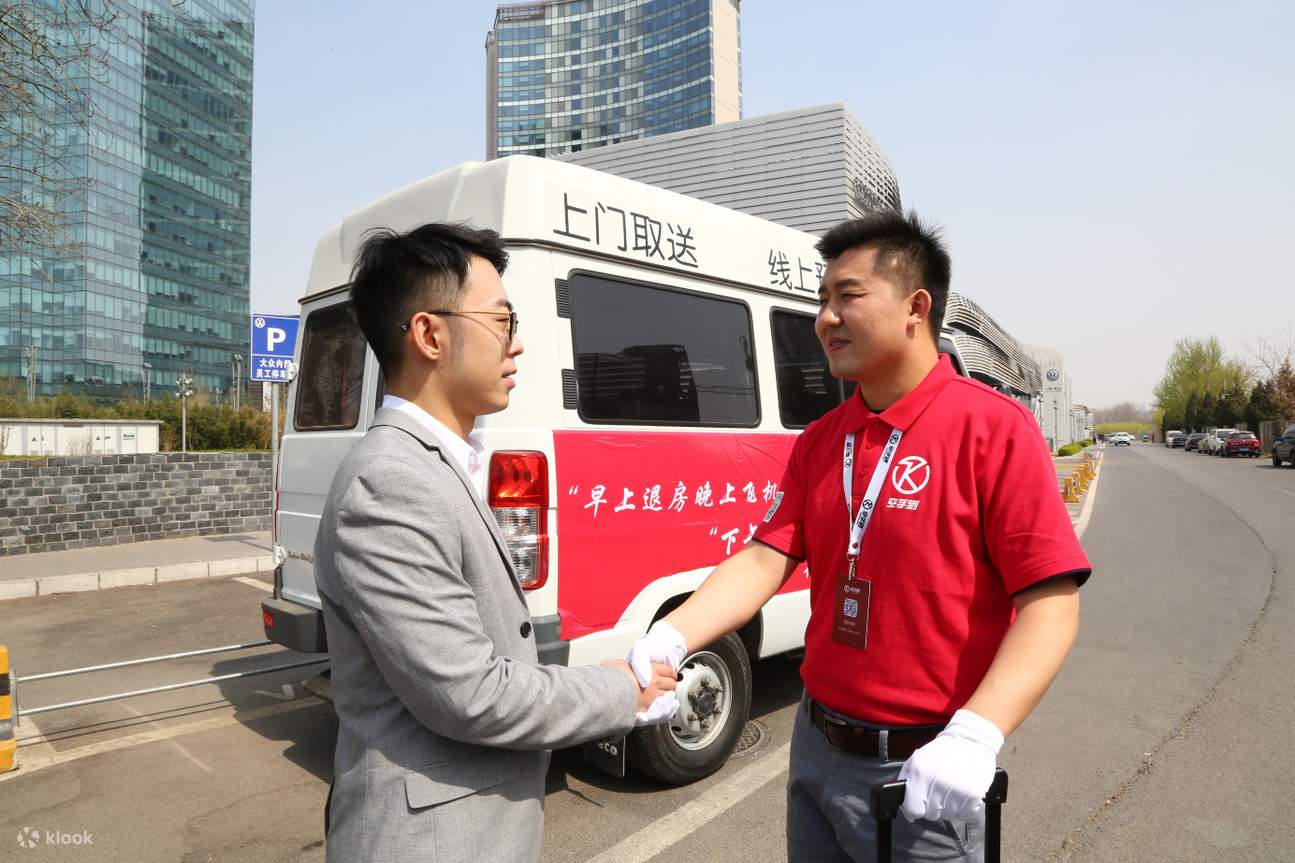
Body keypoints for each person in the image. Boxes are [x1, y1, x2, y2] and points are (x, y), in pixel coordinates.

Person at [629, 212, 1091, 862]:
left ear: (914, 307)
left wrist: (977, 733)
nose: (824, 317)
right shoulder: (822, 439)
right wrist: (671, 634)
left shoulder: (993, 429)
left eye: (846, 295)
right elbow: (765, 556)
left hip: (925, 768)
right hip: (815, 748)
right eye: (820, 300)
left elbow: (1049, 604)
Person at [314, 222, 679, 863]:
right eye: (503, 321)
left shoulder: (437, 463)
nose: (517, 345)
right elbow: (472, 694)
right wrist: (623, 690)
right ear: (430, 335)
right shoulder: (390, 483)